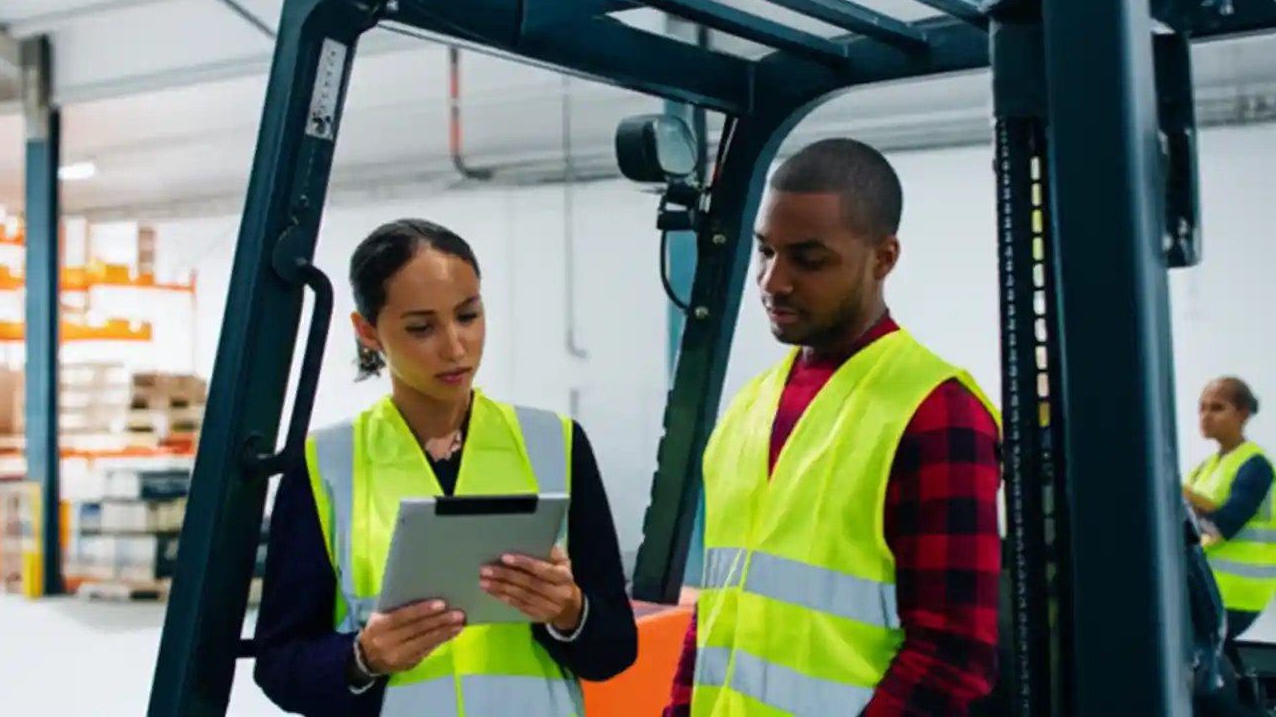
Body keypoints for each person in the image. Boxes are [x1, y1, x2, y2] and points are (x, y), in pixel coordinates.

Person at [663, 138, 1003, 717]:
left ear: (883, 257)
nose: (773, 281)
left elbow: (951, 656)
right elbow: (720, 614)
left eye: (808, 259)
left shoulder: (935, 411)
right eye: (765, 252)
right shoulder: (749, 407)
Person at [253, 218, 637, 716]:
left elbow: (614, 648)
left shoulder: (555, 444)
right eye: (421, 327)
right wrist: (362, 659)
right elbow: (280, 664)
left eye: (468, 316)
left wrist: (570, 612)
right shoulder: (324, 463)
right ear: (367, 331)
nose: (456, 347)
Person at [1183, 376, 1276, 663]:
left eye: (1217, 408)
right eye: (1202, 408)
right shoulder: (1204, 468)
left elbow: (1222, 527)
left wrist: (1183, 495)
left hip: (1234, 594)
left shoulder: (1255, 466)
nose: (1206, 416)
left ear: (1242, 414)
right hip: (1205, 587)